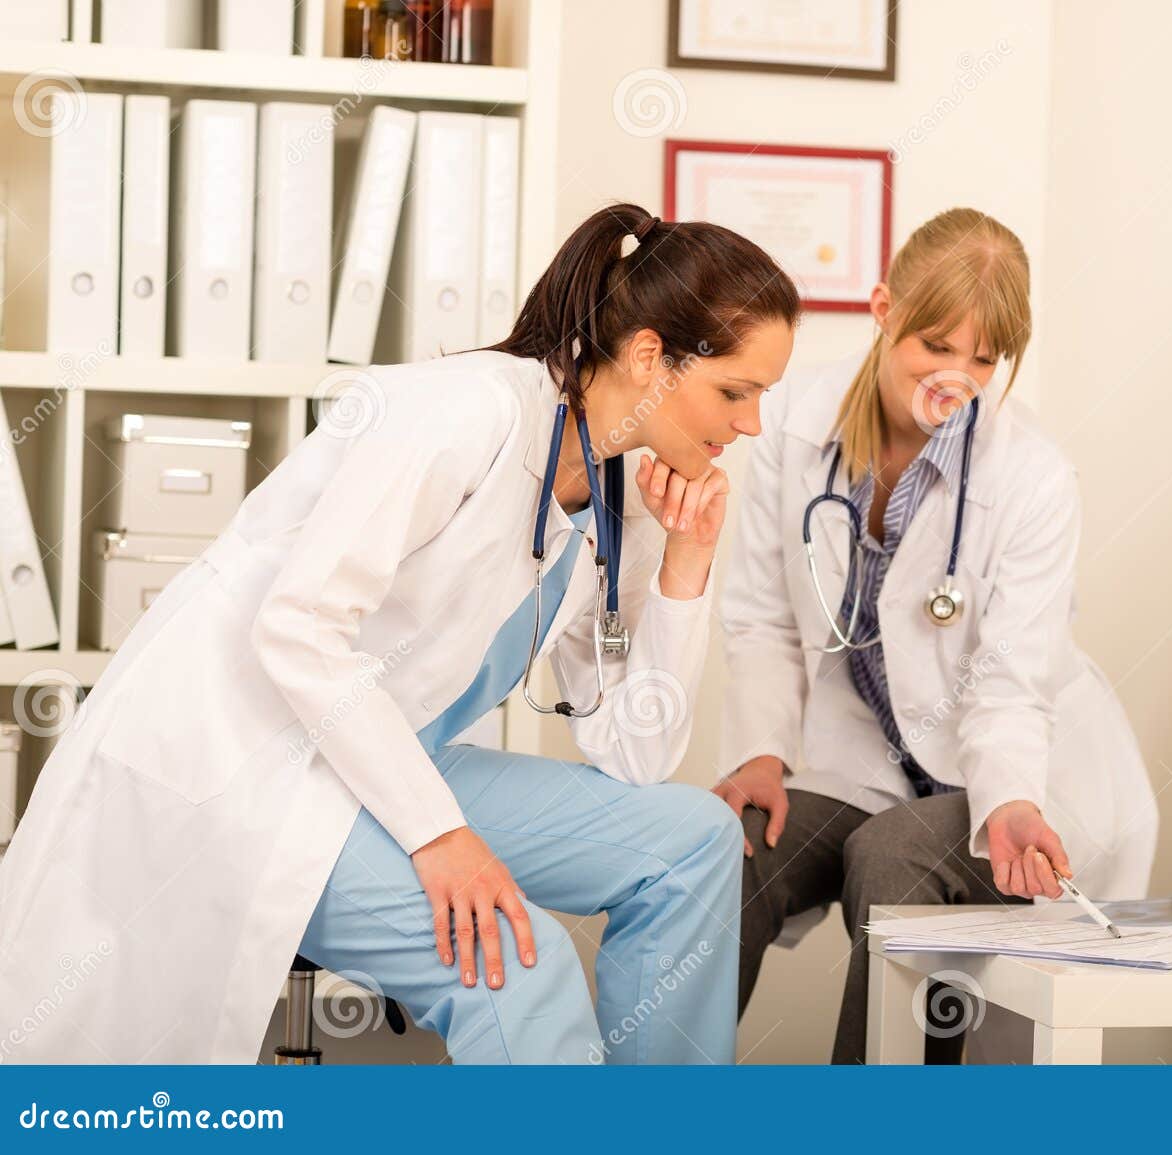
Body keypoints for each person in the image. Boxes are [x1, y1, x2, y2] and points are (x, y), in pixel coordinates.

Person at [0, 203, 799, 1064]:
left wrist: (688, 564)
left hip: (382, 761)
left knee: (694, 841)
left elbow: (634, 756)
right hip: (255, 767)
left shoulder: (622, 493)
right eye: (736, 391)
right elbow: (297, 629)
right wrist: (439, 835)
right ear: (651, 356)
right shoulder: (464, 413)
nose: (750, 425)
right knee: (521, 966)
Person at [714, 208, 1158, 1063]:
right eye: (934, 346)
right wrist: (762, 751)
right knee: (724, 853)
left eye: (984, 358)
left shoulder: (1031, 478)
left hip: (1017, 771)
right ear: (883, 310)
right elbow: (764, 615)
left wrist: (1013, 798)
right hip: (870, 759)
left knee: (891, 860)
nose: (957, 377)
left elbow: (1009, 684)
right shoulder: (794, 424)